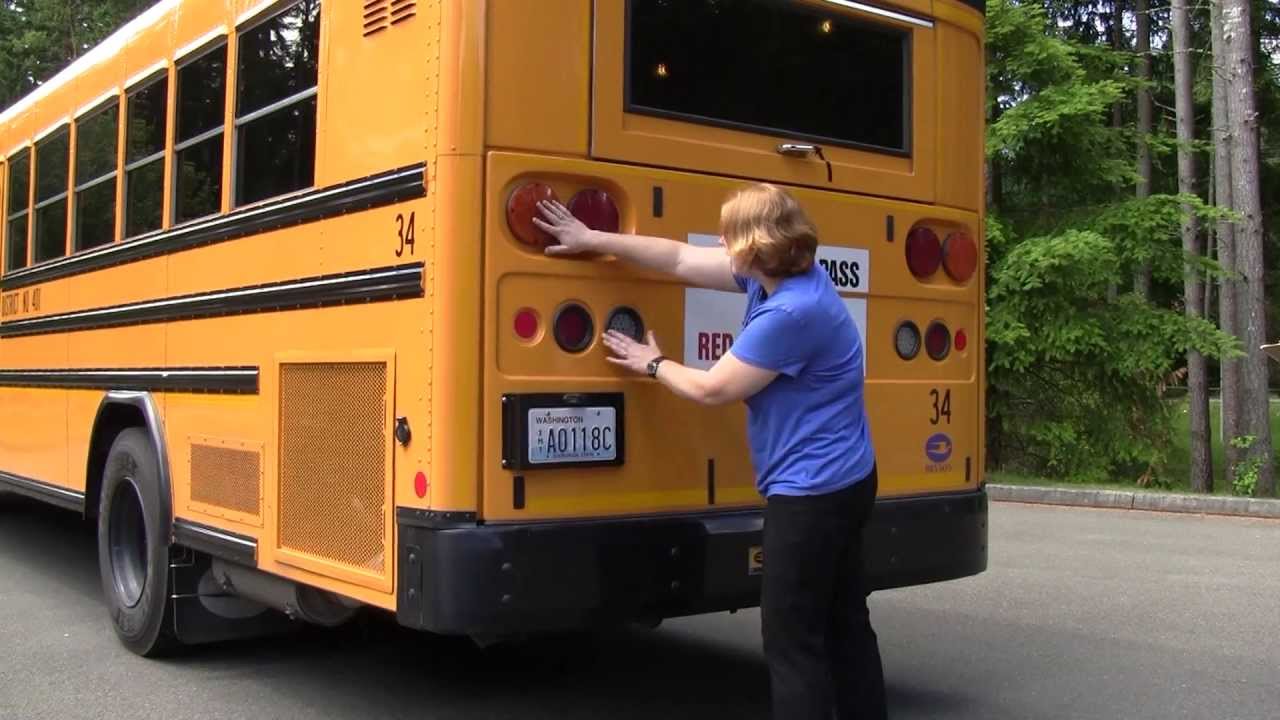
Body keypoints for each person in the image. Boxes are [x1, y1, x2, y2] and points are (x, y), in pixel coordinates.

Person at [534, 183, 887, 719]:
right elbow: (676, 257)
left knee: (792, 640)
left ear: (752, 245)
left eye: (728, 234)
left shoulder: (791, 313)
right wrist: (591, 237)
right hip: (847, 478)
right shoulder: (778, 277)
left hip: (813, 494)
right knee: (843, 620)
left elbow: (713, 389)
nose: (721, 242)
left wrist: (652, 362)